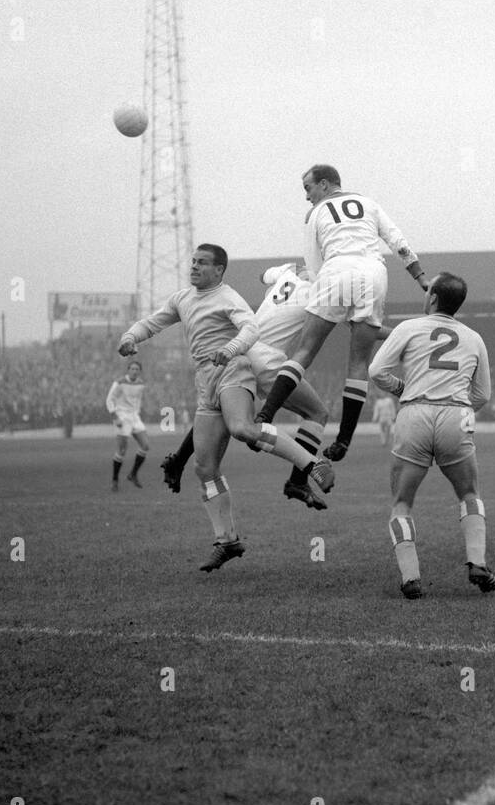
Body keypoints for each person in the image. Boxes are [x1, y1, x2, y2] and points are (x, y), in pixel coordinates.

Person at [118, 244, 336, 572]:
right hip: (206, 383)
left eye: (203, 263)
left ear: (219, 270)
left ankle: (311, 464)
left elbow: (251, 329)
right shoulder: (182, 298)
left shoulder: (228, 297)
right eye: (193, 262)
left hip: (235, 369)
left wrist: (231, 348)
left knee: (241, 428)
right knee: (204, 468)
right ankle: (228, 541)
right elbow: (153, 322)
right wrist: (130, 337)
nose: (194, 268)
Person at [255, 164, 430, 464]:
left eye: (308, 188)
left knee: (305, 351)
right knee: (359, 361)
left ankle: (266, 413)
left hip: (335, 270)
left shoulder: (316, 214)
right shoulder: (369, 203)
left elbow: (312, 264)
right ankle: (344, 440)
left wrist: (328, 294)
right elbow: (397, 240)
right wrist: (421, 278)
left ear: (324, 185)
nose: (307, 196)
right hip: (372, 272)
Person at [161, 261, 333, 510]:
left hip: (243, 346)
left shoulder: (288, 271)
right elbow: (360, 326)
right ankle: (298, 480)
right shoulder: (321, 291)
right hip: (268, 359)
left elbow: (262, 275)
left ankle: (178, 460)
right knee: (317, 413)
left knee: (218, 410)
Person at [368, 273, 495, 599]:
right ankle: (477, 561)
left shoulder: (408, 328)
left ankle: (411, 578)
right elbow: (483, 394)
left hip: (414, 414)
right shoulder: (474, 338)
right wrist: (459, 406)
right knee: (469, 494)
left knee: (401, 503)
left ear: (434, 299)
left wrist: (403, 390)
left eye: (428, 290)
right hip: (457, 413)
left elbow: (376, 372)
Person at [106, 360, 150, 490]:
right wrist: (115, 417)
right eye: (132, 369)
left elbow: (137, 400)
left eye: (137, 369)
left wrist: (137, 414)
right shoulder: (119, 382)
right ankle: (115, 480)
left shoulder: (141, 384)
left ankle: (133, 474)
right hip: (122, 417)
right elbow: (109, 399)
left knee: (145, 445)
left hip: (134, 417)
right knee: (122, 450)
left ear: (139, 371)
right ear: (128, 370)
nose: (134, 371)